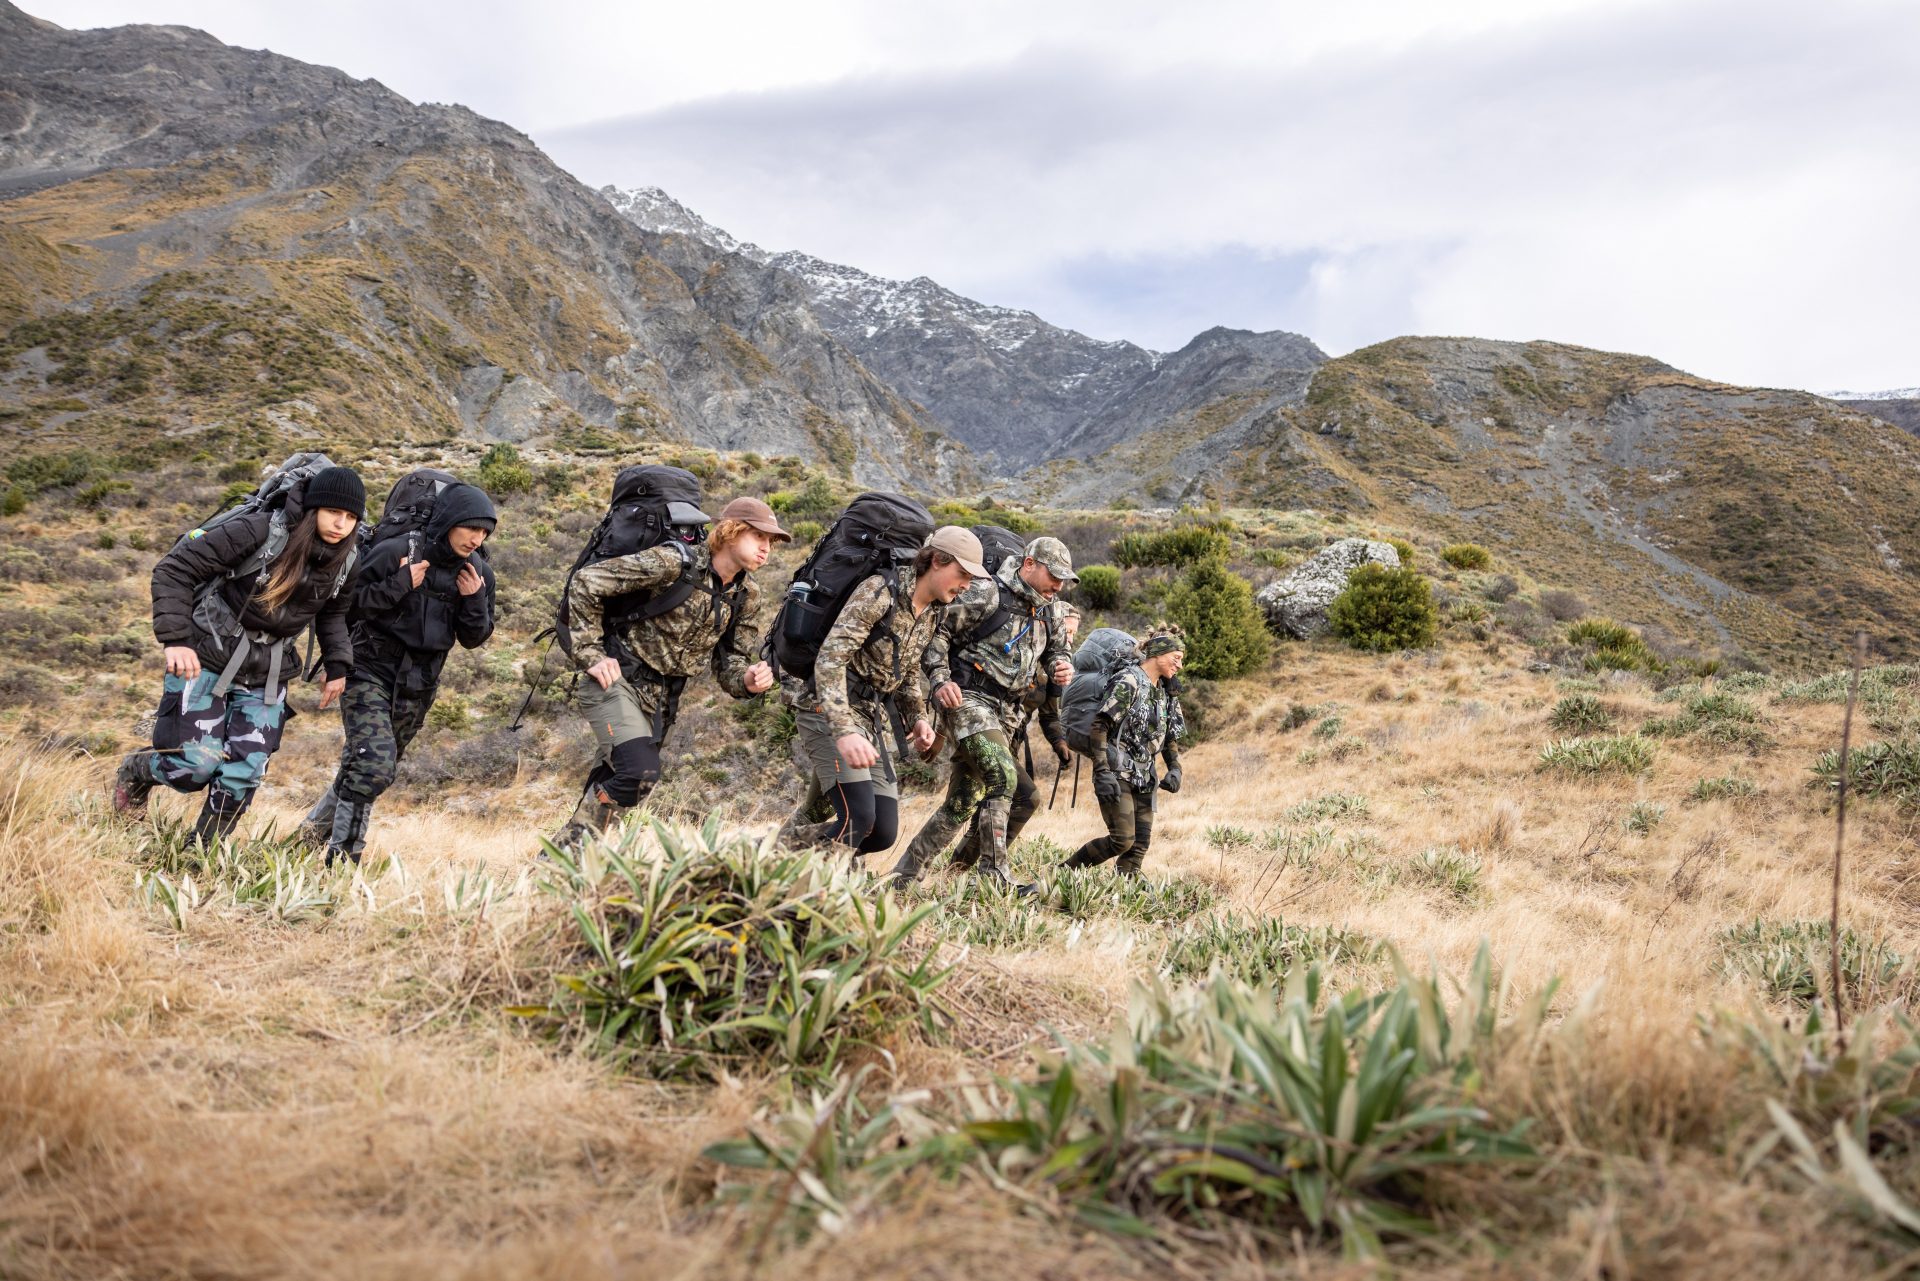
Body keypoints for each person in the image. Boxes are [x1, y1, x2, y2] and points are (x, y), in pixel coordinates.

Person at [112, 466, 366, 846]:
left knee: (244, 771)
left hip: (269, 670)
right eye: (333, 512)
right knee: (194, 766)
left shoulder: (346, 560)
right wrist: (176, 639)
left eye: (350, 517)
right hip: (208, 656)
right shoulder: (260, 531)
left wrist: (338, 665)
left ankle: (200, 854)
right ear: (314, 509)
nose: (341, 524)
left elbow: (332, 614)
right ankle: (135, 772)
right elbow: (175, 569)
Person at [551, 495, 785, 849]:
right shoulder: (675, 562)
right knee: (638, 775)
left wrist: (748, 681)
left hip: (664, 700)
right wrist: (590, 653)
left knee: (617, 781)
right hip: (618, 681)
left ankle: (565, 861)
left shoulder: (746, 596)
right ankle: (564, 856)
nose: (766, 549)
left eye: (771, 542)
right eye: (759, 537)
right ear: (730, 532)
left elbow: (730, 663)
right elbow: (587, 581)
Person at [299, 482, 498, 863]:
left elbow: (476, 638)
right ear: (449, 521)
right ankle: (341, 861)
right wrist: (399, 585)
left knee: (368, 766)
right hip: (369, 669)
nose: (477, 538)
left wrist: (474, 600)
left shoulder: (479, 574)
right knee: (372, 764)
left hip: (419, 686)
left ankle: (306, 840)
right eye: (470, 527)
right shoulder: (396, 552)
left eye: (485, 531)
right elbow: (345, 607)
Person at [777, 526, 983, 857]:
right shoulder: (880, 592)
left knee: (882, 833)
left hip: (871, 721)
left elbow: (909, 668)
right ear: (937, 561)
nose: (966, 585)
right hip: (828, 711)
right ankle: (811, 890)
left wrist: (917, 718)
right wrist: (843, 732)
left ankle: (772, 852)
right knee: (857, 820)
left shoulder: (932, 611)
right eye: (961, 574)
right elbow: (830, 660)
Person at [887, 536, 1077, 891]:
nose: (1059, 585)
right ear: (1029, 564)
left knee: (961, 803)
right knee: (1004, 778)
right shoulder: (987, 593)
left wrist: (1062, 666)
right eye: (1054, 575)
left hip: (1007, 713)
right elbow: (937, 632)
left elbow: (1057, 651)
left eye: (1065, 579)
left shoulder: (1050, 609)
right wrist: (940, 679)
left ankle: (902, 880)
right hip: (969, 700)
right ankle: (993, 877)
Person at [949, 601, 1079, 869]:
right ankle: (963, 868)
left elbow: (1050, 714)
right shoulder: (1021, 655)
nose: (1069, 639)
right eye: (1067, 631)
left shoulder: (1055, 671)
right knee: (970, 805)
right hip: (981, 729)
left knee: (995, 803)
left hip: (1011, 741)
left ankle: (963, 869)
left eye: (1074, 635)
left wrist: (1059, 743)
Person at [1062, 624, 1187, 876]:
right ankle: (1061, 874)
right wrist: (1102, 772)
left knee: (1140, 843)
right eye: (1176, 659)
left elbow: (1170, 732)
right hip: (1117, 770)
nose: (1179, 666)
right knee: (1121, 839)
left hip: (1146, 775)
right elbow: (1100, 726)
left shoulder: (1166, 690)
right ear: (1159, 654)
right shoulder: (1129, 680)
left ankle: (1126, 890)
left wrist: (1175, 768)